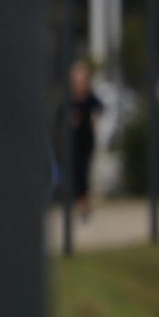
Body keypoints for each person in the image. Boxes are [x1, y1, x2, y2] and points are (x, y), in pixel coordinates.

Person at [64, 57, 103, 222]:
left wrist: (95, 121)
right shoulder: (69, 99)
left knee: (84, 172)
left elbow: (100, 109)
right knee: (75, 172)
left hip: (86, 140)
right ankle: (81, 204)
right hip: (73, 141)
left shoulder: (90, 99)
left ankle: (84, 205)